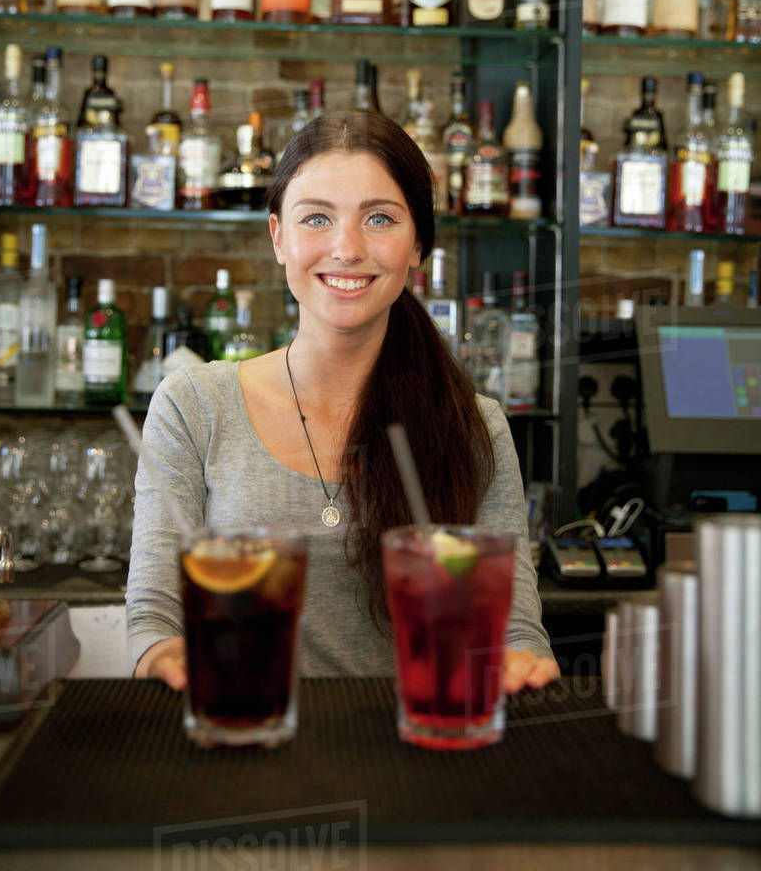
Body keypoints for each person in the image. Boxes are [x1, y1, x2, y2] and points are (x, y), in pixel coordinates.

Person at [127, 110, 559, 693]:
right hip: (244, 745)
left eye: (379, 218)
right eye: (317, 219)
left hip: (419, 757)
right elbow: (155, 618)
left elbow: (513, 631)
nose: (347, 248)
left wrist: (522, 664)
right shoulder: (194, 406)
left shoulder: (472, 424)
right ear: (278, 237)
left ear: (417, 246)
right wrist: (167, 657)